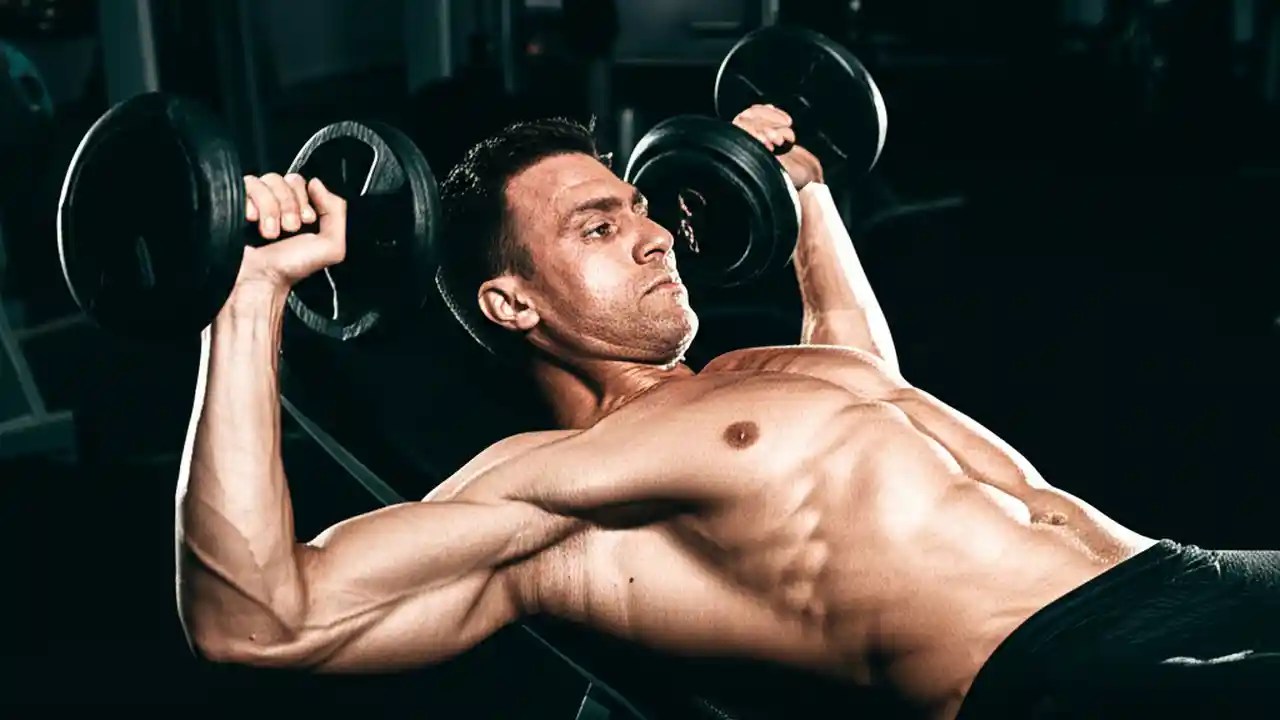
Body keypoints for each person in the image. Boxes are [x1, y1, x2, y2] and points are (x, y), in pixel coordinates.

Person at [176, 105, 1279, 720]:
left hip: (1176, 575)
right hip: (1071, 674)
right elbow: (260, 621)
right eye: (598, 230)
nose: (654, 234)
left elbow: (864, 368)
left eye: (641, 206)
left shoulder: (765, 370)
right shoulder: (566, 486)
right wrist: (246, 298)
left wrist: (795, 185)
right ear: (510, 301)